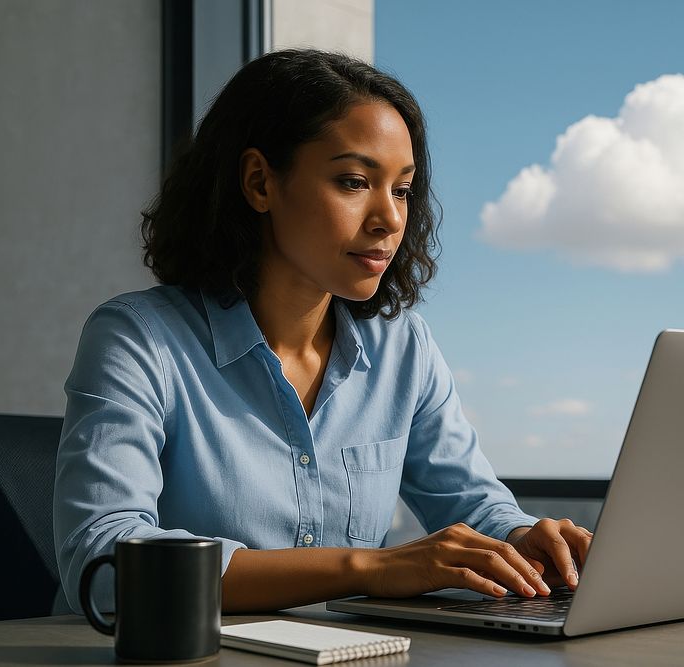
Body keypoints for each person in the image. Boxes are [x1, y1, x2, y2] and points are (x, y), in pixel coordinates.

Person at [53, 49, 593, 613]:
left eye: (402, 190)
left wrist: (523, 540)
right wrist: (370, 568)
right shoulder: (138, 340)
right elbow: (106, 564)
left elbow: (475, 507)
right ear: (260, 182)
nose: (389, 220)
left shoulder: (402, 347)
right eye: (355, 181)